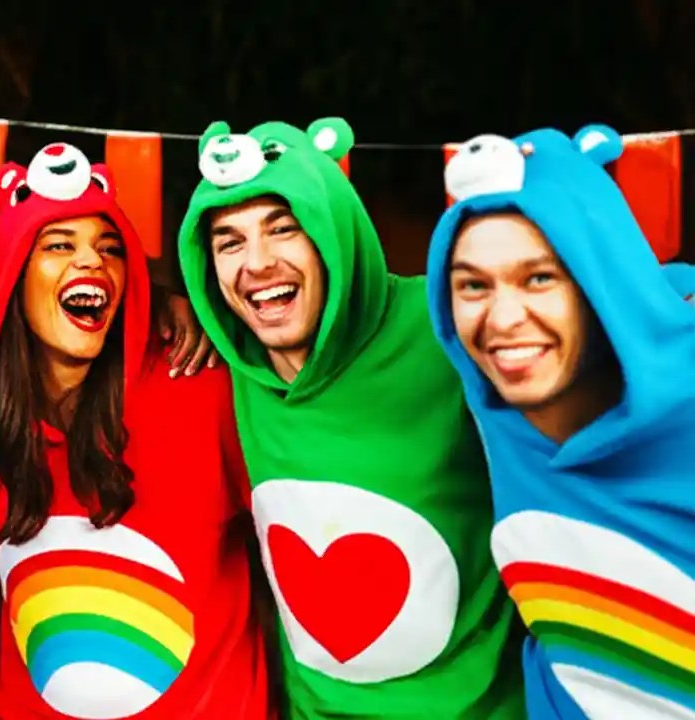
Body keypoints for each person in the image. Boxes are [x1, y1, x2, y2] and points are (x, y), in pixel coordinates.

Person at [174, 118, 525, 718]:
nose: (256, 263)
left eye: (284, 229)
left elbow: (567, 319)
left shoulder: (443, 327)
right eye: (230, 241)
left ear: (333, 229)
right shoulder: (221, 375)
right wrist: (163, 302)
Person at [0, 142, 269, 720]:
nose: (91, 262)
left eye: (110, 248)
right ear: (11, 273)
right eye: (59, 245)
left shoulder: (200, 384)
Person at [426, 125, 695, 719]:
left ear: (602, 281)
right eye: (473, 285)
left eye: (539, 278)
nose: (503, 318)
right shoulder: (491, 401)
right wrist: (179, 304)